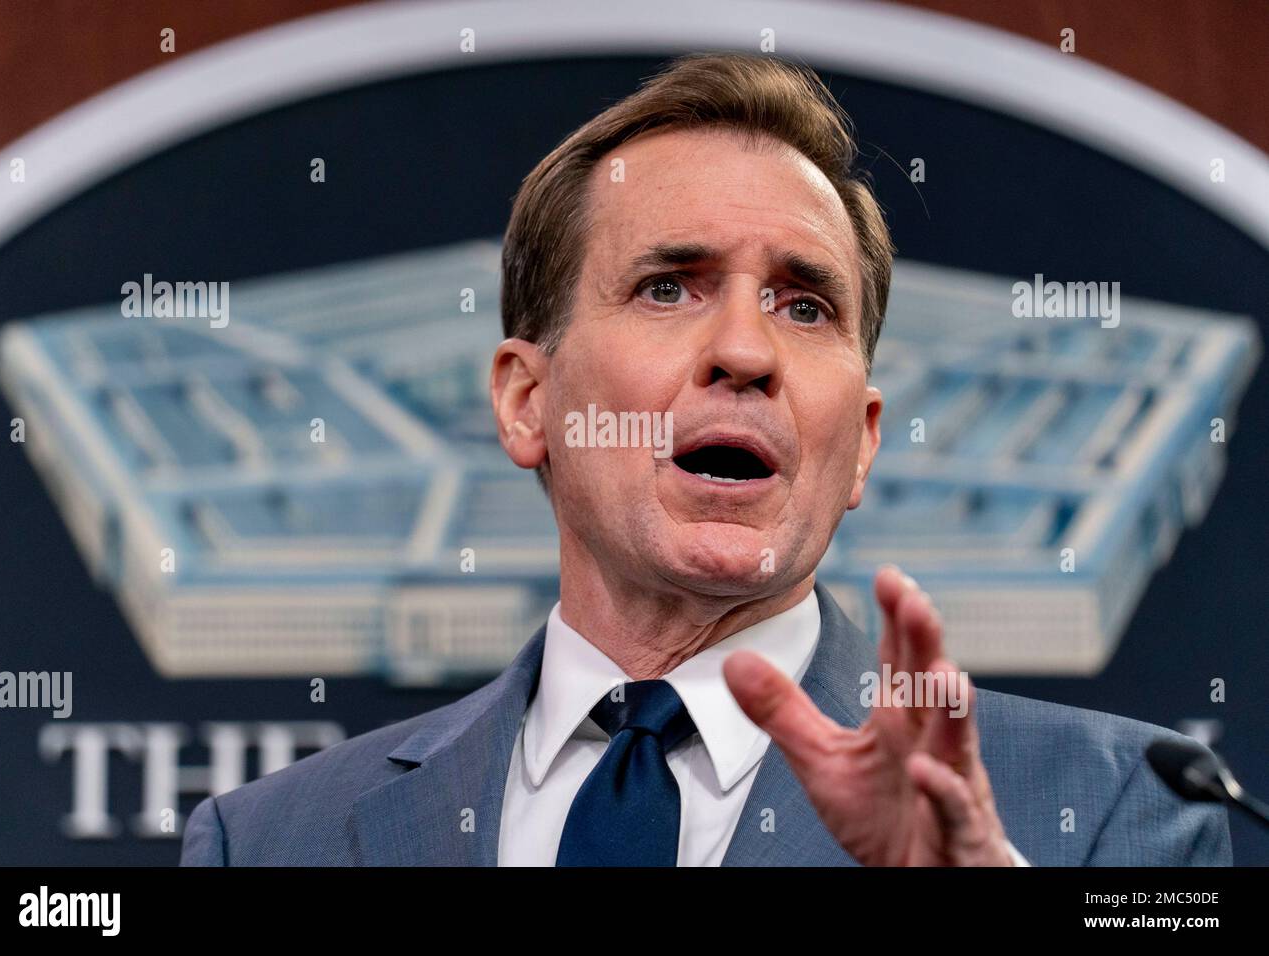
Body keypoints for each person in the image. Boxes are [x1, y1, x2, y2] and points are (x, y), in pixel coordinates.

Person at [181, 52, 1231, 866]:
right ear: (526, 400)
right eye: (670, 286)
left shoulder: (1118, 805)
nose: (743, 351)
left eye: (804, 304)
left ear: (860, 442)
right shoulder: (268, 839)